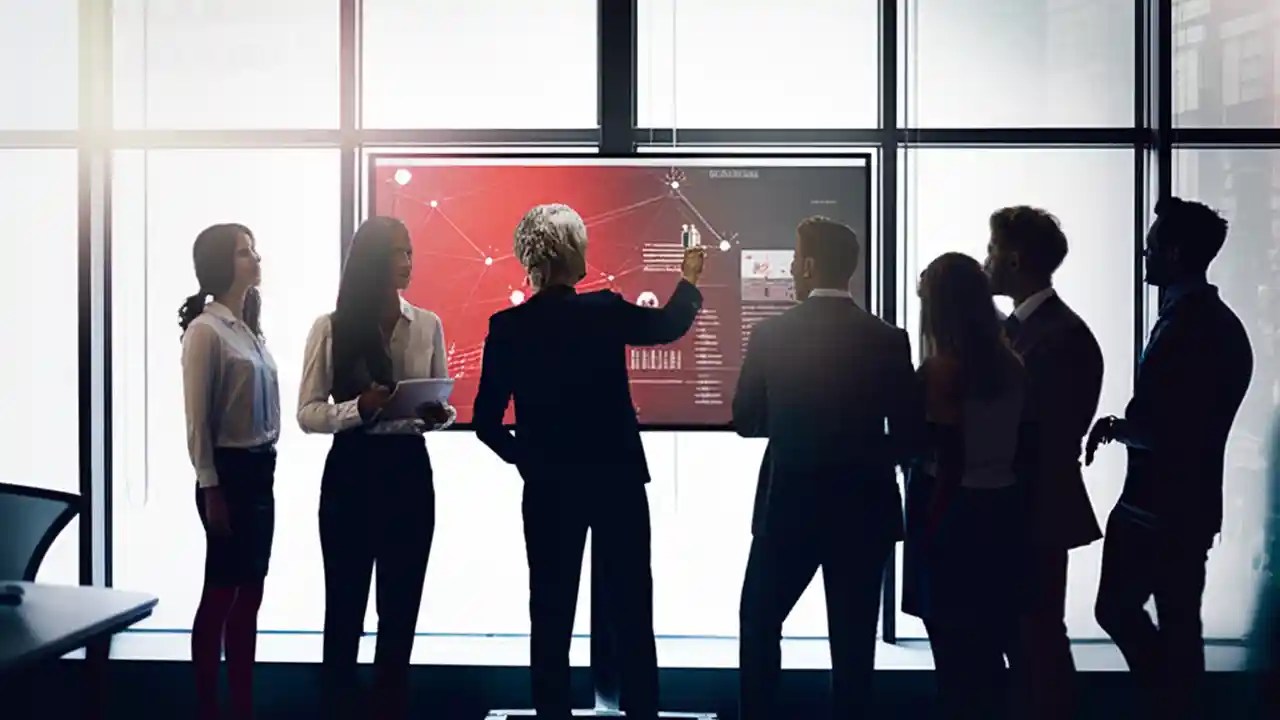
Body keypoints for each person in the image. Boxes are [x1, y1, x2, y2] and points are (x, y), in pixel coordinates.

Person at [472, 203, 705, 720]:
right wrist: (688, 278)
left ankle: (552, 712)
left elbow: (487, 422)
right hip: (616, 479)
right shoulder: (602, 310)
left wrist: (528, 460)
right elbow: (668, 325)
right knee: (631, 608)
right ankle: (640, 711)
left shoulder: (507, 327)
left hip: (550, 487)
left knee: (550, 614)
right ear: (570, 252)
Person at [733, 217, 923, 720]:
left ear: (811, 265)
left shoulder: (772, 334)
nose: (792, 269)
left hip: (787, 508)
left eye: (796, 260)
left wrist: (796, 425)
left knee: (758, 624)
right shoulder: (889, 339)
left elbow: (746, 419)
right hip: (865, 511)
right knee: (854, 645)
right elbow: (908, 436)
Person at [1088, 197, 1254, 720]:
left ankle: (1169, 699)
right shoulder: (1214, 324)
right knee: (1179, 618)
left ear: (1176, 253)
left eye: (1153, 244)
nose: (1145, 251)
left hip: (1156, 505)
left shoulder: (1190, 327)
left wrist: (1119, 428)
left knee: (1122, 610)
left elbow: (1171, 427)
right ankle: (1175, 700)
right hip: (1188, 505)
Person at [297, 216, 456, 720]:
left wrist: (438, 415)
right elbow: (307, 413)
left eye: (410, 251)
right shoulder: (332, 326)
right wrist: (358, 409)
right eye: (396, 252)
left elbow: (441, 398)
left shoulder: (427, 323)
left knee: (400, 614)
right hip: (352, 472)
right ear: (371, 259)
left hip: (409, 472)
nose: (408, 262)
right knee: (343, 611)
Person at [983, 206, 1103, 719]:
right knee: (1031, 636)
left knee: (1037, 640)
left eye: (991, 250)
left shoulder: (1059, 337)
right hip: (1030, 509)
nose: (985, 260)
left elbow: (1038, 433)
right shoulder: (1042, 330)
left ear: (1013, 259)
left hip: (1034, 510)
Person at [902, 252, 1029, 720]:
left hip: (950, 514)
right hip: (1000, 509)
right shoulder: (1011, 364)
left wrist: (929, 526)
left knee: (952, 657)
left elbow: (948, 456)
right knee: (988, 648)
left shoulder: (940, 371)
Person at [179, 223, 280, 720]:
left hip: (262, 473)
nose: (255, 257)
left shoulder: (248, 330)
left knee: (251, 592)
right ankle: (207, 707)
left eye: (253, 249)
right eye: (244, 252)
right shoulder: (206, 330)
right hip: (229, 474)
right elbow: (198, 420)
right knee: (220, 591)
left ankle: (242, 703)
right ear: (221, 264)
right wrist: (210, 487)